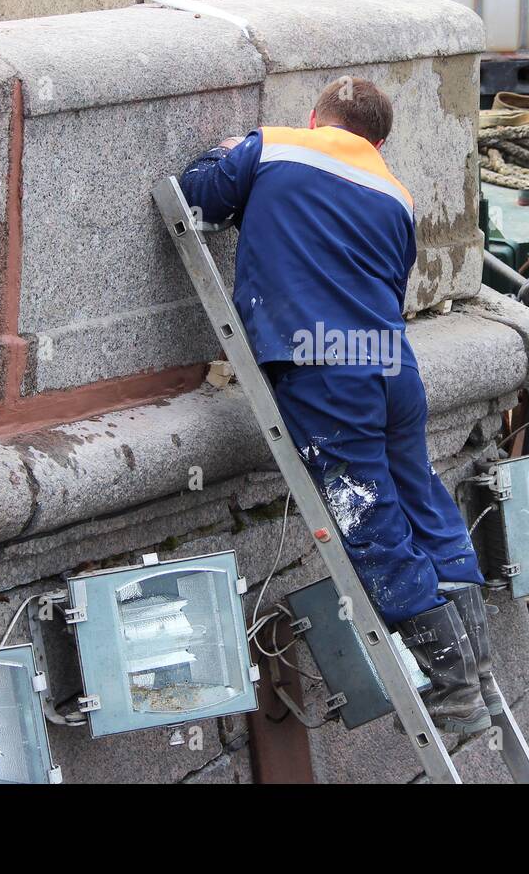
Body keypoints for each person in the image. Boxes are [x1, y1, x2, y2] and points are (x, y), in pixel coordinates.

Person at [178, 76, 498, 734]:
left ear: (315, 116)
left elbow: (198, 198)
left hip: (328, 369)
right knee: (425, 504)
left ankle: (454, 691)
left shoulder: (275, 148)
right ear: (378, 141)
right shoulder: (396, 193)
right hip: (392, 366)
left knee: (370, 521)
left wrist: (226, 149)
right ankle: (481, 672)